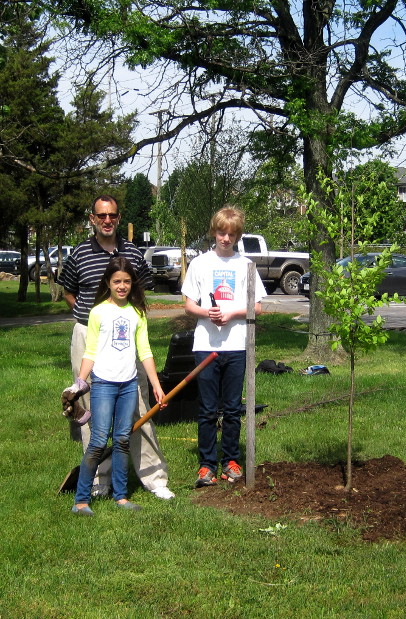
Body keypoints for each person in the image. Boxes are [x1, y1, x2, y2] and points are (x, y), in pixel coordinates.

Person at [58, 195, 175, 500]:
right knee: (90, 406)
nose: (107, 220)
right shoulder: (80, 253)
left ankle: (153, 476)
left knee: (136, 401)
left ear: (119, 218)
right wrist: (86, 314)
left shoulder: (133, 252)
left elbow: (143, 286)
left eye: (112, 215)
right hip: (89, 334)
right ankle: (99, 479)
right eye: (101, 215)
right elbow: (68, 290)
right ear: (92, 218)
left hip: (126, 335)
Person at [67, 257, 166, 515]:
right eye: (117, 281)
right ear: (108, 283)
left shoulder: (137, 313)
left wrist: (156, 385)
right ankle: (81, 500)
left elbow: (144, 351)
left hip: (128, 384)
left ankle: (121, 497)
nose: (122, 286)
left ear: (132, 283)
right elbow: (90, 351)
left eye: (126, 281)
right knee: (99, 440)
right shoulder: (98, 311)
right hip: (102, 383)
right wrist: (79, 383)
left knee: (122, 439)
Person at [182, 207, 267, 488]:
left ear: (238, 235)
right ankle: (206, 465)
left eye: (231, 234)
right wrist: (209, 313)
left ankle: (231, 460)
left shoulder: (246, 265)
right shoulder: (200, 264)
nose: (226, 238)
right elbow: (188, 304)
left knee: (232, 408)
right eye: (221, 232)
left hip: (236, 346)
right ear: (213, 232)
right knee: (207, 408)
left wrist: (231, 314)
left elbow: (257, 306)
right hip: (206, 345)